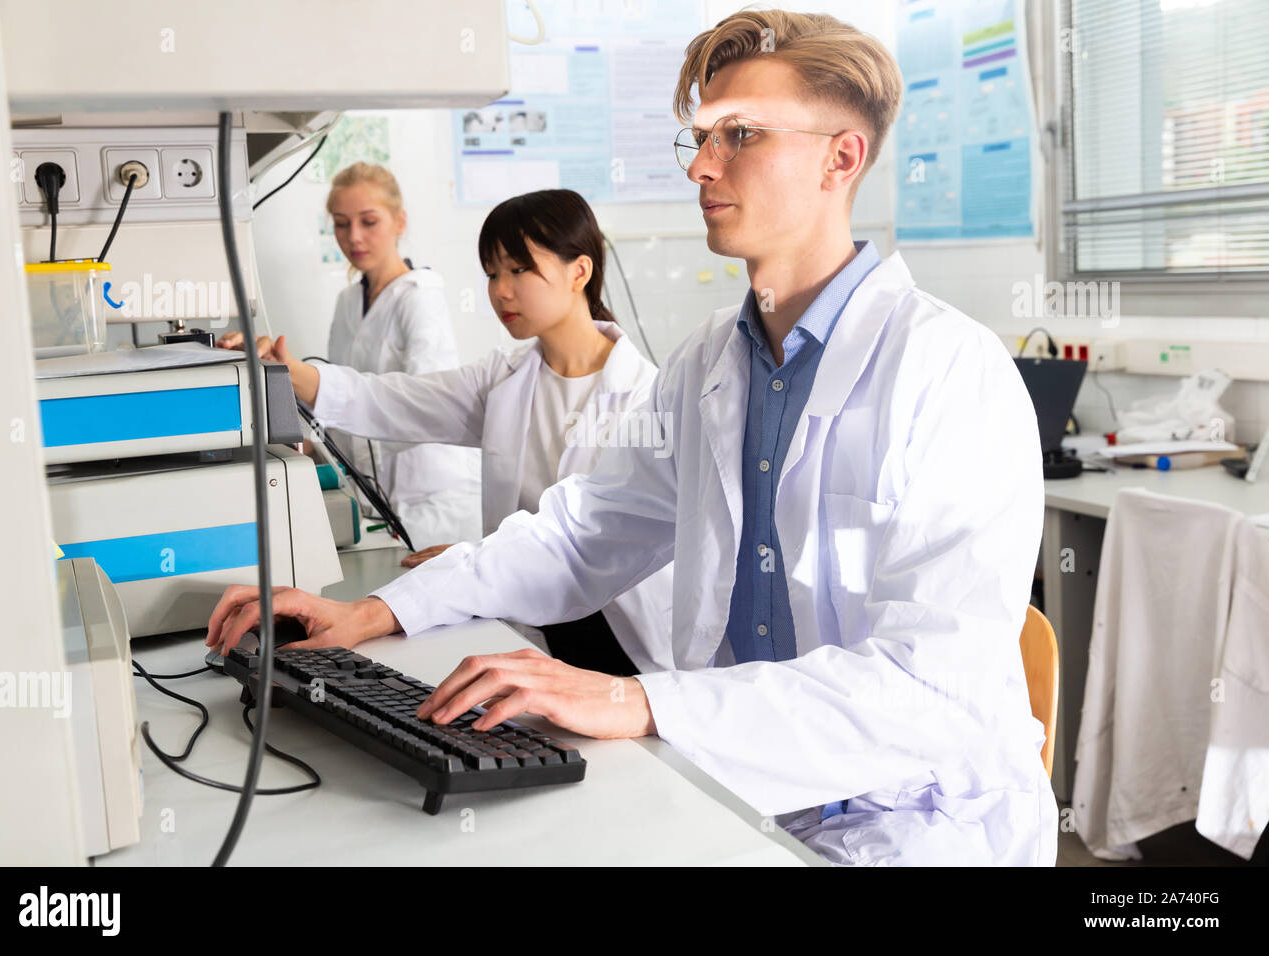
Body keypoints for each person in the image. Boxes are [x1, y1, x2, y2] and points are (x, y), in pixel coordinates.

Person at [208, 11, 1057, 865]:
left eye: (742, 135)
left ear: (842, 157)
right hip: (734, 792)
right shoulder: (704, 369)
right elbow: (585, 535)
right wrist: (376, 611)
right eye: (698, 137)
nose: (700, 166)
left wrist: (639, 701)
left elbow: (927, 688)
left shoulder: (952, 373)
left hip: (913, 819)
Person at [214, 189, 672, 676]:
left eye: (519, 269)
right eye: (493, 273)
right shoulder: (503, 378)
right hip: (531, 615)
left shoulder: (647, 398)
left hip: (621, 636)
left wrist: (473, 556)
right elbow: (392, 400)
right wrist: (287, 371)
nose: (501, 290)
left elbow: (583, 542)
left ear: (579, 271)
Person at [222, 161, 482, 546]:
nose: (354, 236)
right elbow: (338, 398)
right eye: (341, 224)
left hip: (435, 499)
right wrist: (303, 442)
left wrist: (304, 384)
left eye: (368, 221)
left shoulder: (420, 297)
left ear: (399, 222)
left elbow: (425, 406)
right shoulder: (348, 302)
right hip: (376, 500)